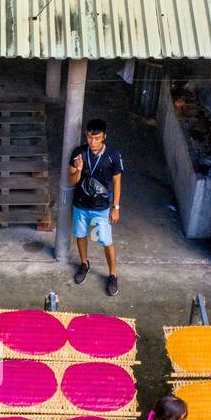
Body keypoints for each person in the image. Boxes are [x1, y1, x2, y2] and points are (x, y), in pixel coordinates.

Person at [67, 117, 124, 297]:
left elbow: (117, 182)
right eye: (90, 138)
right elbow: (71, 181)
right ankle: (84, 264)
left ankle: (112, 275)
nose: (93, 142)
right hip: (81, 204)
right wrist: (77, 169)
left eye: (97, 138)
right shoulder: (79, 153)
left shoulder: (113, 155)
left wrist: (116, 206)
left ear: (104, 137)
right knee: (81, 235)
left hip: (101, 207)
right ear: (86, 135)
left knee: (106, 241)